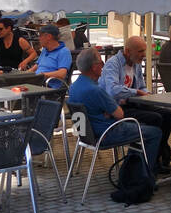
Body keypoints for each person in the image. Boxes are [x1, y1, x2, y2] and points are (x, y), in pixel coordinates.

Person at [70, 48, 164, 177]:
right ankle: (143, 175)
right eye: (101, 63)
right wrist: (110, 109)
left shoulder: (74, 87)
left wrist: (107, 110)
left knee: (146, 123)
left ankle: (134, 169)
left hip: (85, 134)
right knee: (154, 132)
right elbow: (120, 114)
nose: (103, 66)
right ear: (94, 67)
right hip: (106, 133)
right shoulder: (95, 90)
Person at [89, 42, 171, 173]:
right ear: (128, 51)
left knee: (168, 115)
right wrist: (137, 92)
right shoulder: (113, 64)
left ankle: (155, 157)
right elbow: (112, 90)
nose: (143, 55)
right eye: (140, 51)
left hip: (131, 103)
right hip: (114, 109)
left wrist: (147, 94)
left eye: (144, 51)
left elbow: (140, 86)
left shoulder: (136, 64)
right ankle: (146, 162)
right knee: (155, 118)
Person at [33, 24, 73, 89]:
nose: (39, 38)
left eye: (40, 35)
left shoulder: (64, 52)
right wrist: (24, 74)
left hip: (49, 86)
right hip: (38, 83)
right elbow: (36, 66)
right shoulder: (45, 50)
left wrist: (42, 75)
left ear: (48, 36)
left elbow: (62, 73)